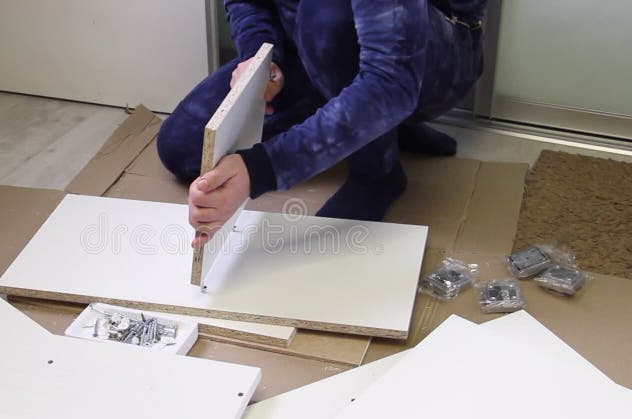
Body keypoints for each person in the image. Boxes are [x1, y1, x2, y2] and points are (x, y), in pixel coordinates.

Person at [157, 0, 487, 247]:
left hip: (426, 60)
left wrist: (260, 169)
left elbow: (391, 83)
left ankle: (379, 170)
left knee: (325, 14)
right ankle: (369, 117)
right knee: (182, 147)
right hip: (313, 44)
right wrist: (261, 56)